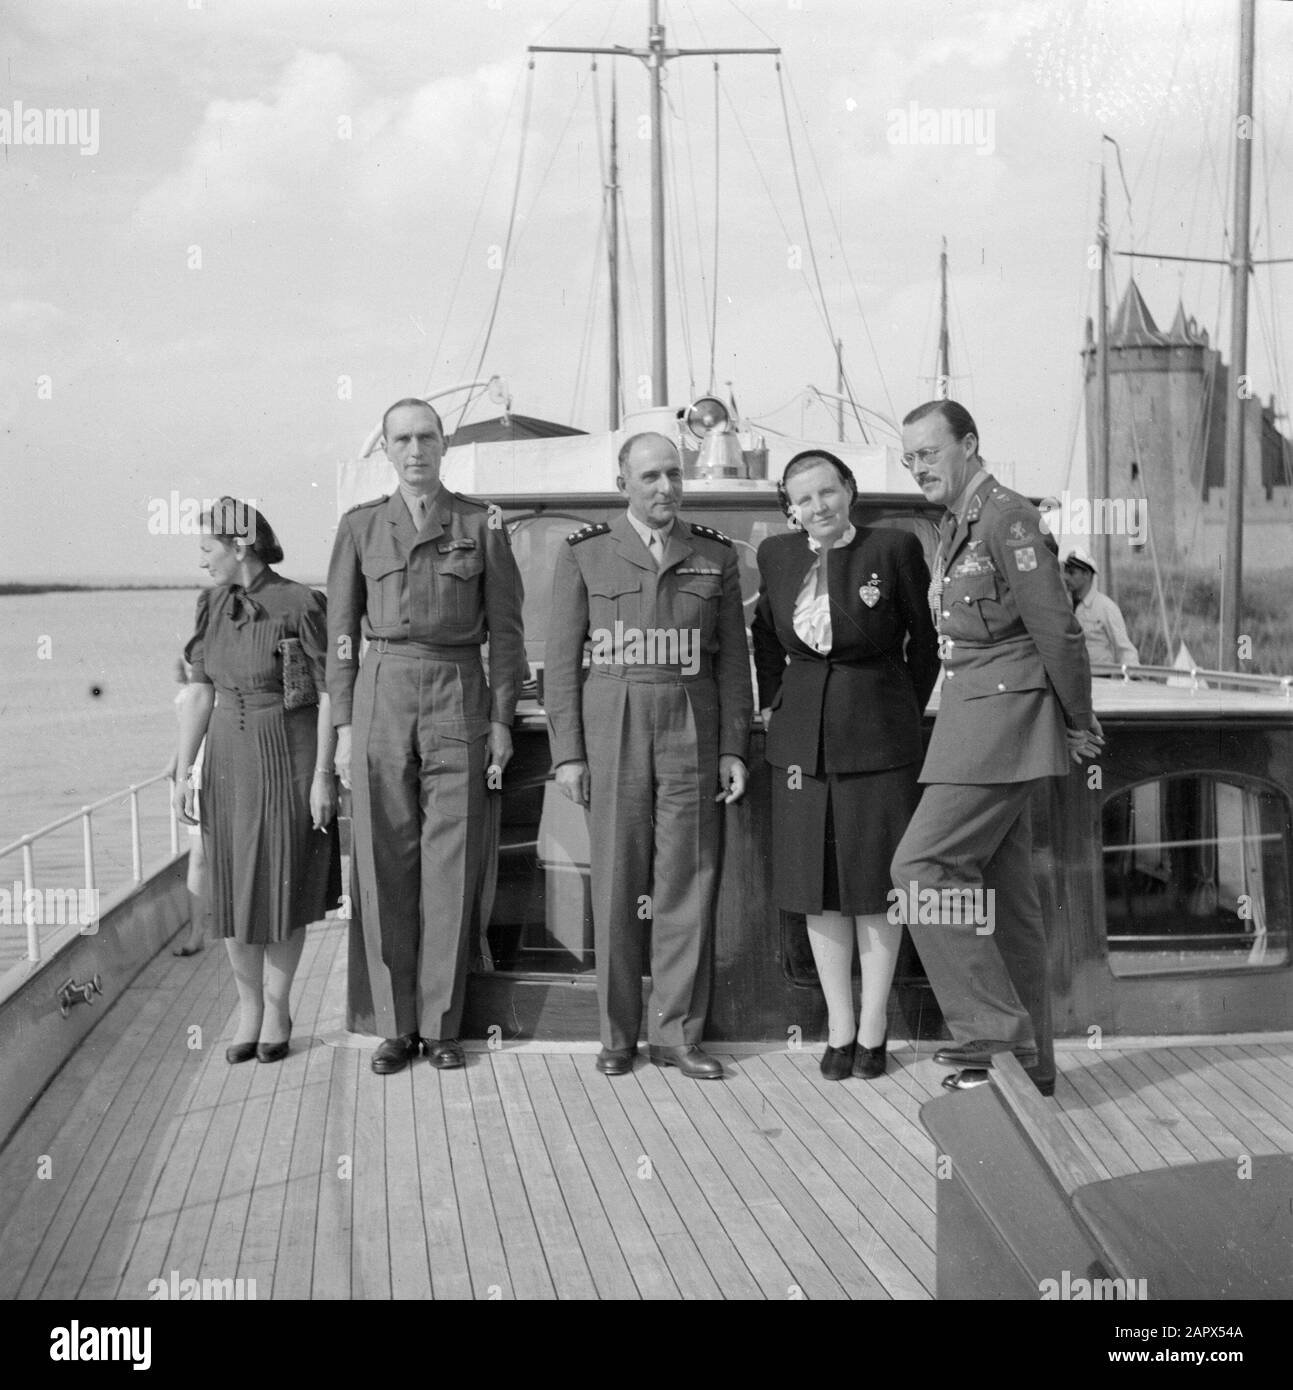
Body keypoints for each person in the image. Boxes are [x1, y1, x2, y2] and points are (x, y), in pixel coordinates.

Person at [888, 401, 1103, 1097]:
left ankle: (990, 1033)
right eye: (909, 457)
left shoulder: (1007, 516)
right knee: (1007, 905)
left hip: (1001, 723)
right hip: (971, 721)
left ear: (969, 444)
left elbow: (1056, 628)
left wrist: (1076, 719)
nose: (916, 466)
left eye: (927, 452)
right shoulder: (959, 521)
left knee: (918, 868)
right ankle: (1030, 1069)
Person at [545, 431, 752, 1080]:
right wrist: (569, 754)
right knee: (614, 883)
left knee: (685, 885)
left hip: (691, 726)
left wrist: (731, 748)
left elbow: (731, 665)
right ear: (623, 485)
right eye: (650, 477)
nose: (665, 488)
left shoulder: (712, 556)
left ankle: (676, 1036)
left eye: (674, 474)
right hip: (614, 727)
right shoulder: (584, 552)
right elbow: (560, 662)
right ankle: (616, 1036)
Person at [327, 398, 525, 1075]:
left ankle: (442, 1026)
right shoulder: (358, 527)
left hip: (456, 686)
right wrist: (345, 727)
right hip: (382, 687)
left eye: (427, 438)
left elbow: (506, 630)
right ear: (387, 450)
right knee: (384, 863)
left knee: (451, 862)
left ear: (444, 447)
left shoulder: (478, 523)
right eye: (403, 439)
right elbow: (341, 638)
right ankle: (395, 1026)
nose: (416, 450)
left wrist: (500, 717)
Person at [752, 451, 939, 1080]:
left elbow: (926, 645)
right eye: (802, 500)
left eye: (827, 492)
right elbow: (764, 640)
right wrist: (781, 703)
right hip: (802, 744)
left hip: (880, 738)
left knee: (875, 887)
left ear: (849, 491)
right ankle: (838, 1027)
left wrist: (896, 711)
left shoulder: (893, 548)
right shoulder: (775, 555)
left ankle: (875, 1026)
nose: (817, 508)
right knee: (818, 889)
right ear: (790, 508)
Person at [173, 498, 340, 1064]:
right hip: (226, 757)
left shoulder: (300, 603)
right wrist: (183, 769)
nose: (202, 562)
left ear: (239, 545)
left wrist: (323, 776)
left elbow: (328, 692)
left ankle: (278, 1007)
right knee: (231, 888)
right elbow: (199, 692)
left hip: (287, 754)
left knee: (283, 885)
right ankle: (249, 1011)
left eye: (206, 549)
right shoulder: (209, 605)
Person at [169, 657, 208, 957]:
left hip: (234, 758)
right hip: (200, 768)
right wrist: (178, 765)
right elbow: (186, 732)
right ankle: (197, 932)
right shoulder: (189, 694)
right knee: (199, 857)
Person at [1063, 546, 1139, 667]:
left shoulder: (1105, 607)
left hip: (1100, 679)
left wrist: (1134, 678)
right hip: (1071, 678)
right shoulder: (1063, 606)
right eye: (1065, 572)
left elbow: (1124, 648)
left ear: (1087, 574)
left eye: (1072, 572)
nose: (1066, 577)